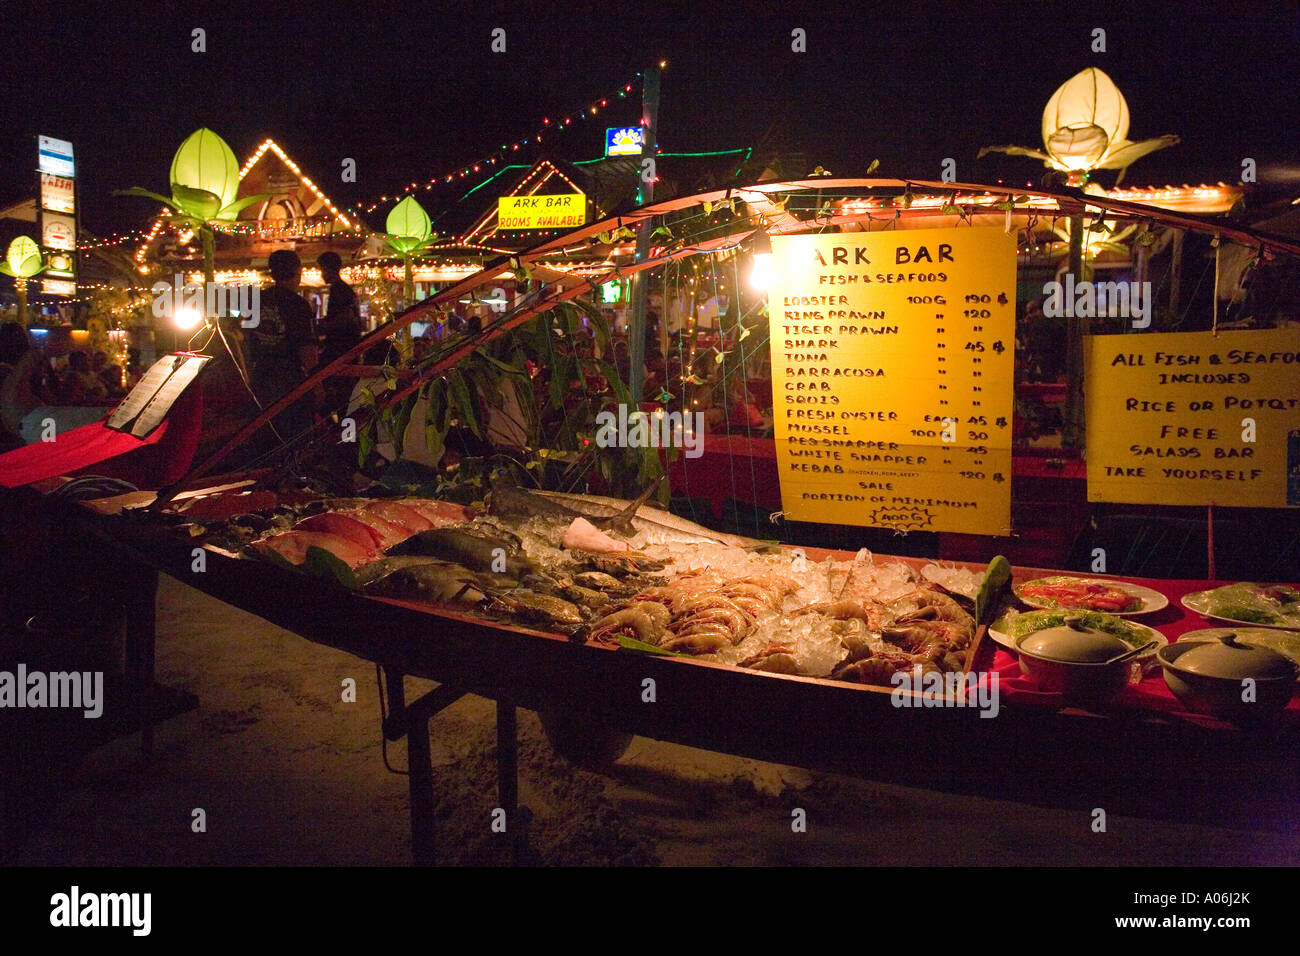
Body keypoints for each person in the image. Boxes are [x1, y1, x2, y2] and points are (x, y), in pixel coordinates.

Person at [247, 249, 318, 445]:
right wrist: (317, 385)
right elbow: (308, 353)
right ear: (298, 272)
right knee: (295, 443)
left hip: (260, 381)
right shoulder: (298, 305)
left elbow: (245, 342)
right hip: (289, 384)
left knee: (264, 443)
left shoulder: (257, 302)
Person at [316, 252, 363, 366]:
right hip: (348, 346)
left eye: (322, 270)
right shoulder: (344, 289)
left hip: (341, 348)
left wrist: (324, 327)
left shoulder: (338, 290)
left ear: (329, 269)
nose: (322, 275)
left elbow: (344, 317)